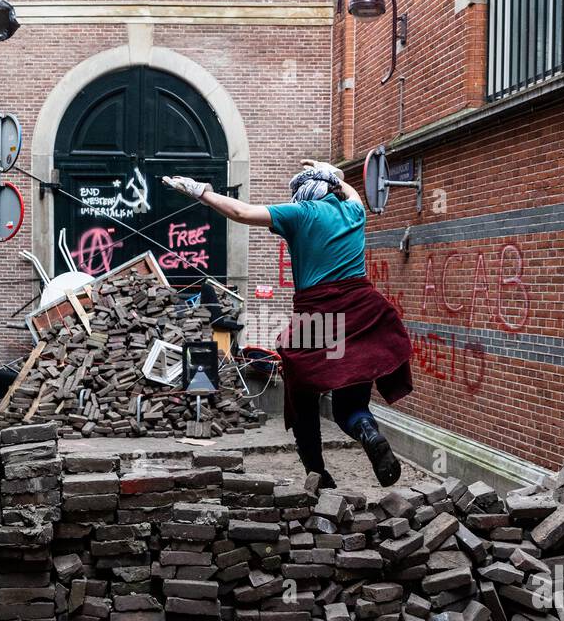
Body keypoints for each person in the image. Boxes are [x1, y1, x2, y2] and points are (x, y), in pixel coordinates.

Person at [163, 161, 414, 488]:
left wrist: (203, 193)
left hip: (321, 316)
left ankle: (318, 474)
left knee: (302, 393)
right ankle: (369, 432)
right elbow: (351, 192)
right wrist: (334, 174)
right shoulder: (353, 212)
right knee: (349, 405)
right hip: (364, 312)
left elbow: (242, 212)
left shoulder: (302, 212)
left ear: (304, 194)